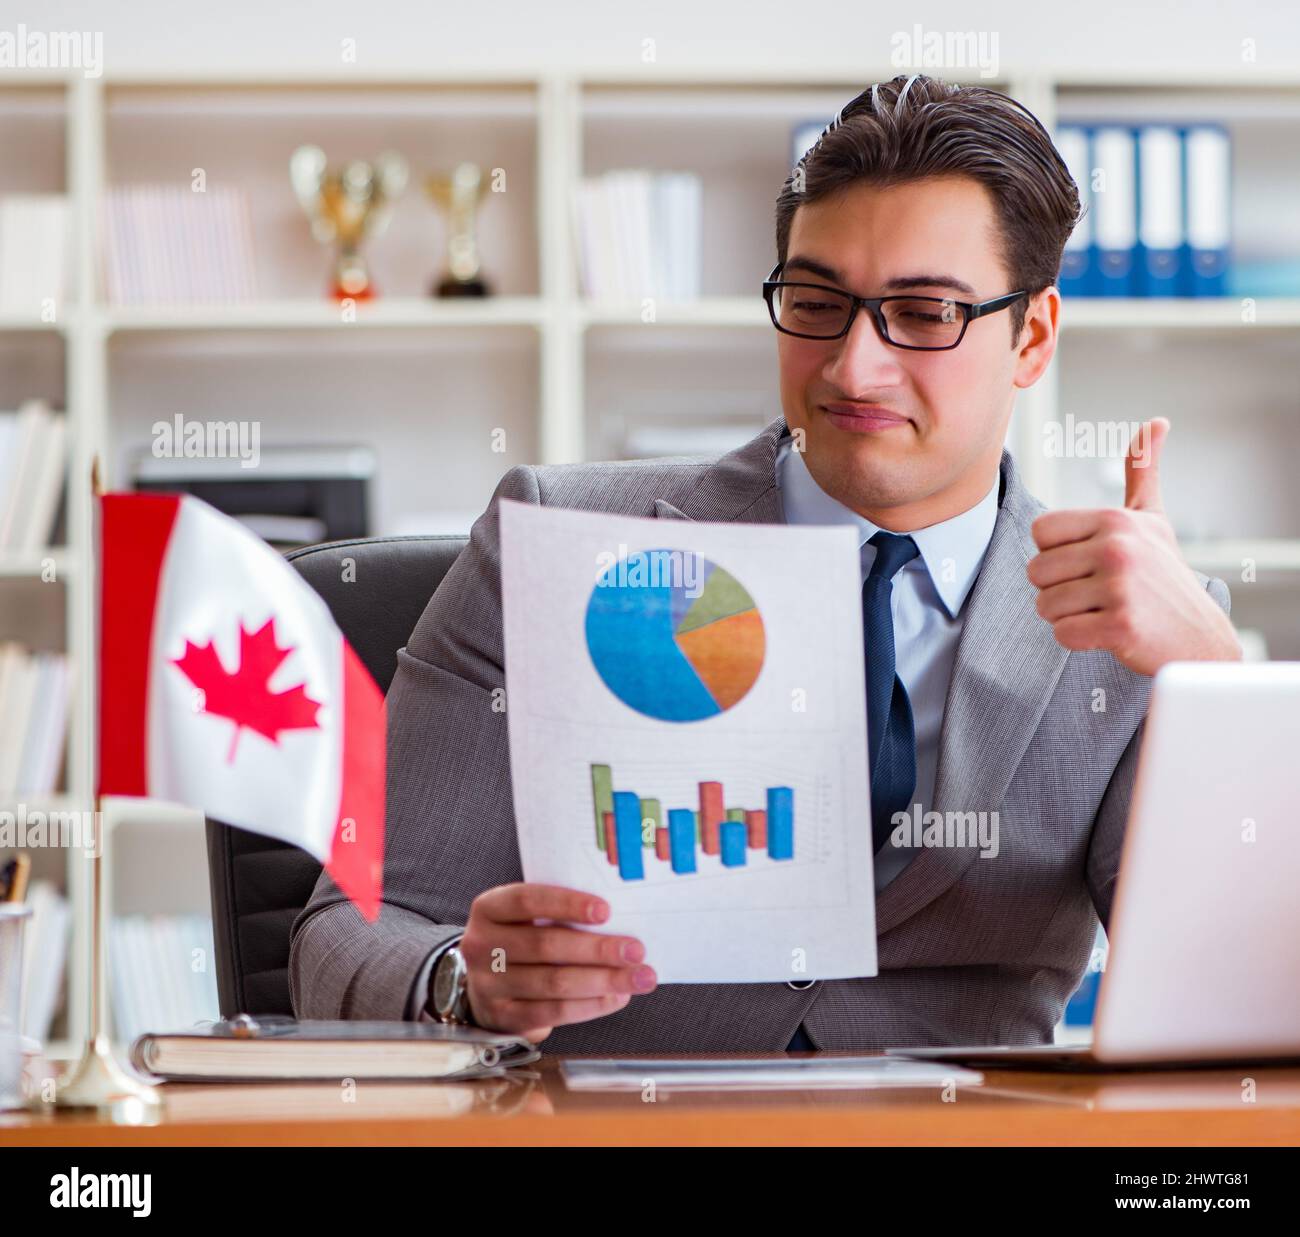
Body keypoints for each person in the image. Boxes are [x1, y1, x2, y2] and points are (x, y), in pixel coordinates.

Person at [289, 74, 1239, 1052]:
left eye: (921, 313)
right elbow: (344, 935)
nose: (850, 367)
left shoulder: (1135, 625)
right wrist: (461, 980)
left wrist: (1216, 682)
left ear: (1030, 336)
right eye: (816, 300)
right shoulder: (552, 534)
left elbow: (1238, 977)